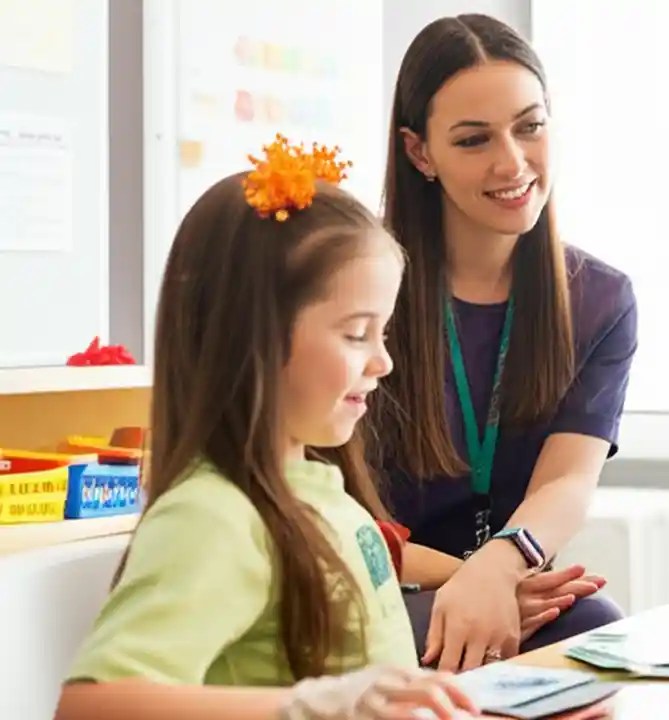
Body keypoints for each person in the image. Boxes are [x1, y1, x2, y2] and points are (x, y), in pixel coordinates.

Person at [55, 138, 477, 720]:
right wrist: (311, 705)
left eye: (383, 333)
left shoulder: (324, 496)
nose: (383, 362)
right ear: (253, 338)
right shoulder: (213, 515)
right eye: (357, 334)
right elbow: (89, 707)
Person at [376, 14, 638, 672]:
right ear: (419, 153)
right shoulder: (356, 286)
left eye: (530, 125)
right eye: (473, 140)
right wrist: (473, 582)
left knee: (598, 630)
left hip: (508, 572)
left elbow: (567, 484)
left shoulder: (599, 299)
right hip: (374, 581)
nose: (512, 162)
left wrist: (501, 563)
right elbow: (322, 517)